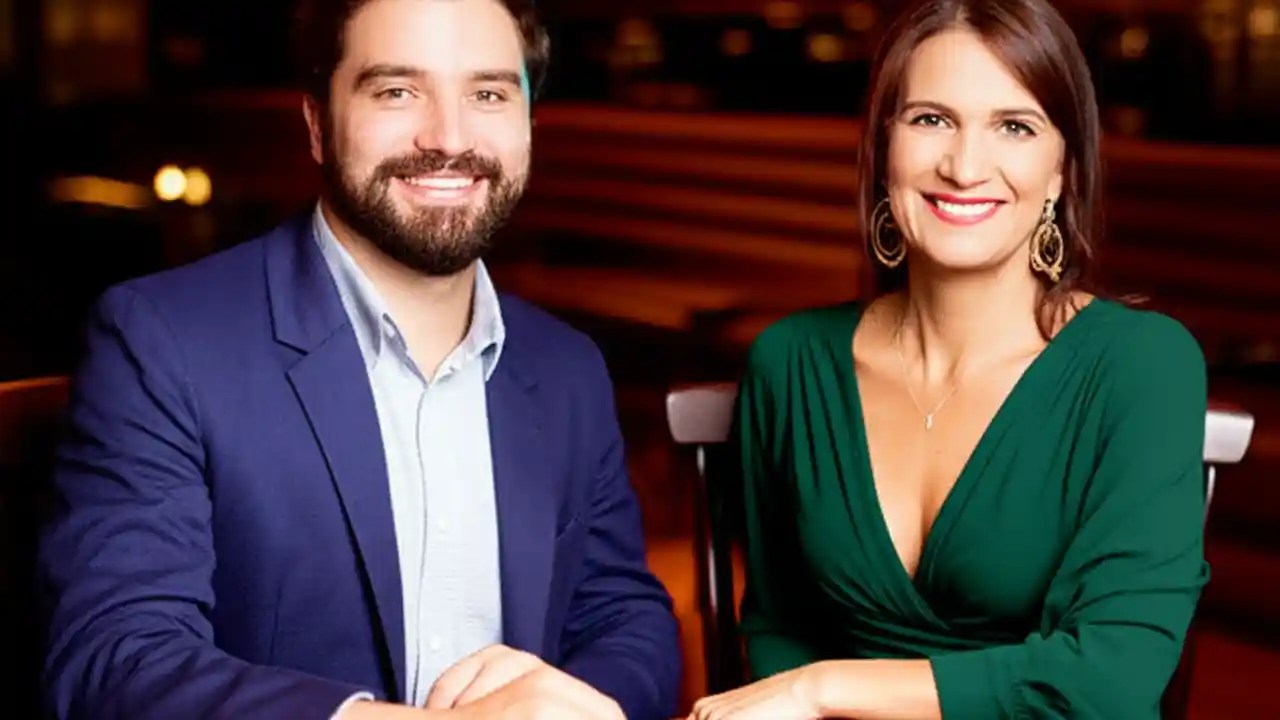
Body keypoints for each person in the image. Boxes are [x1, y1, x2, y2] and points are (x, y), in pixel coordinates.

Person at [38, 1, 682, 718]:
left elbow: (627, 619)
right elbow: (117, 659)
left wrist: (581, 707)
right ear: (318, 123)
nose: (449, 137)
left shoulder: (568, 368)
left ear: (529, 122)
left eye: (488, 94)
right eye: (397, 91)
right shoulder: (162, 340)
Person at [689, 0, 1207, 718]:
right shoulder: (792, 364)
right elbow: (778, 631)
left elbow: (1110, 679)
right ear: (884, 149)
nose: (964, 167)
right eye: (931, 119)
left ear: (1061, 170)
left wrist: (823, 688)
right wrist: (800, 685)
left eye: (1014, 126)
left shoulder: (1142, 366)